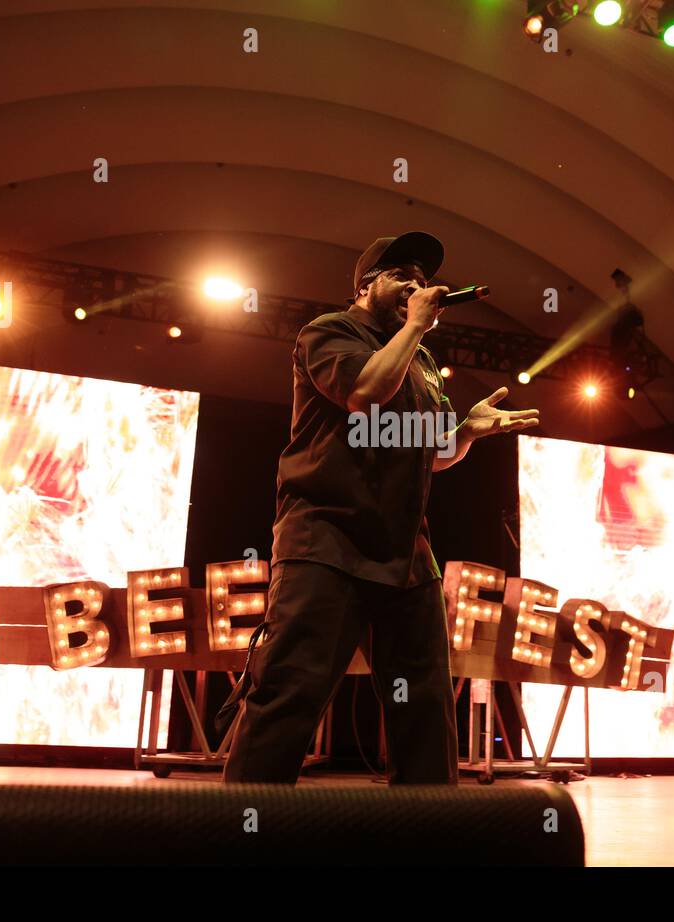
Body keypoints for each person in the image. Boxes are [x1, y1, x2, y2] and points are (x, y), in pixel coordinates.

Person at [221, 231, 539, 785]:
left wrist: (465, 433)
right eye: (402, 278)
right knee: (289, 692)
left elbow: (432, 453)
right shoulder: (331, 332)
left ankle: (425, 834)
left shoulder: (418, 361)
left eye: (422, 281)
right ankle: (238, 830)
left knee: (426, 707)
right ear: (367, 285)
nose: (417, 288)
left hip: (407, 558)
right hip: (326, 543)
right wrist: (416, 325)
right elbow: (364, 394)